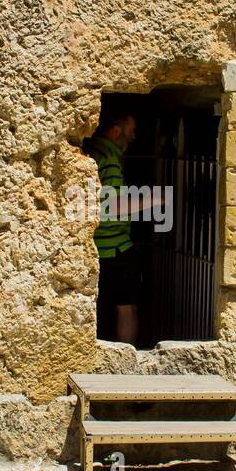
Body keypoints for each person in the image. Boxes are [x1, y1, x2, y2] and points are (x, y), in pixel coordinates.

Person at [86, 110, 144, 344]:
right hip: (116, 245)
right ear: (115, 130)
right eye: (131, 130)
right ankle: (126, 360)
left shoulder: (91, 151)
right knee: (126, 307)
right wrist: (157, 200)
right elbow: (114, 205)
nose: (134, 137)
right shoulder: (108, 158)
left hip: (95, 243)